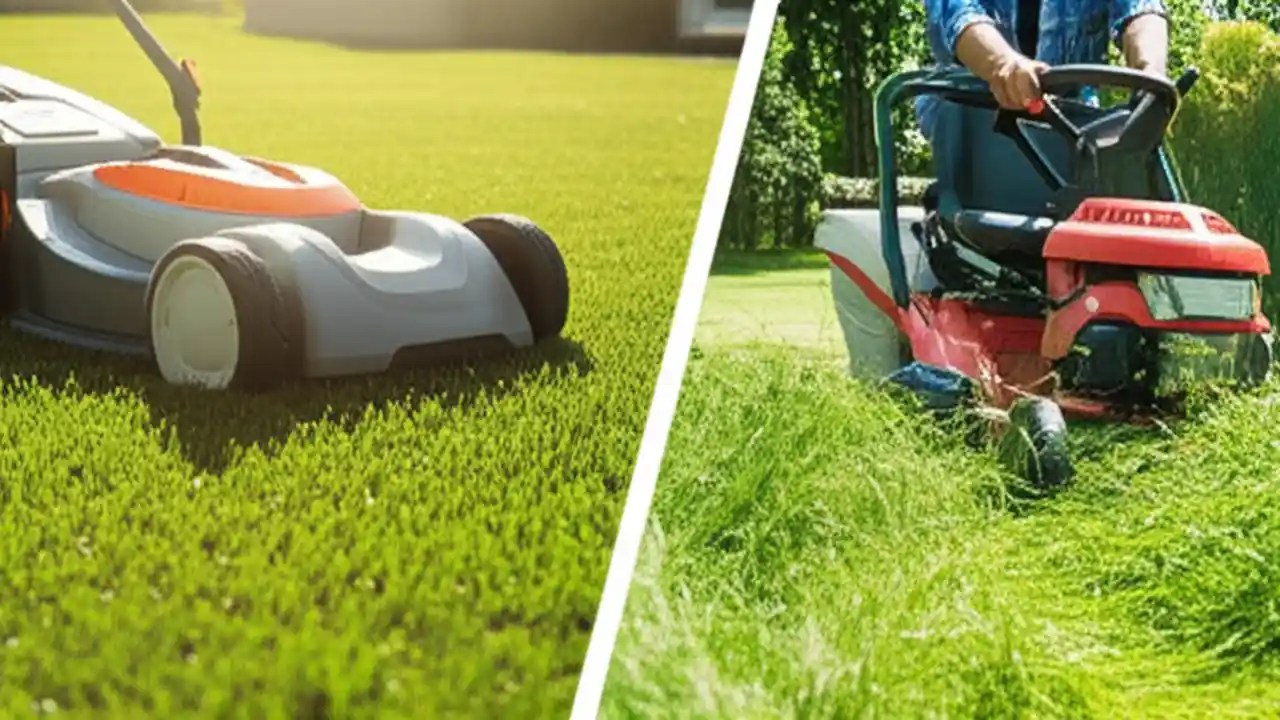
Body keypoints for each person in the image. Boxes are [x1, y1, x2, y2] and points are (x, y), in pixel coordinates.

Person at [917, 0, 1172, 143]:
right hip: (973, 126)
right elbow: (959, 17)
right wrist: (1005, 65)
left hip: (1071, 129)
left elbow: (1141, 10)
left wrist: (1150, 75)